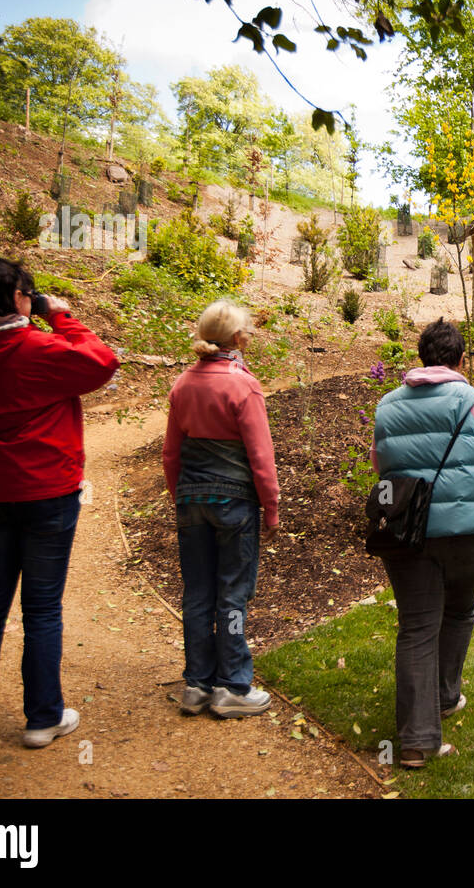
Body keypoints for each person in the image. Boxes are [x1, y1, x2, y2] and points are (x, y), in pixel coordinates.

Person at [0, 257, 120, 752]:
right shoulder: (38, 348)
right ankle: (42, 718)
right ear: (20, 299)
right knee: (41, 609)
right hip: (46, 491)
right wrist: (59, 314)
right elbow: (103, 361)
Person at [371, 317, 474, 768]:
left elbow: (382, 469)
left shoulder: (387, 406)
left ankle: (414, 741)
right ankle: (446, 696)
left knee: (416, 626)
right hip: (466, 533)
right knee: (459, 610)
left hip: (407, 532)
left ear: (422, 357)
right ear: (456, 360)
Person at [162, 300, 280, 718]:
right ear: (237, 338)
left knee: (197, 592)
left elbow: (171, 454)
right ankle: (232, 685)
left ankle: (196, 684)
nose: (249, 335)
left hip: (192, 501)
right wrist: (271, 507)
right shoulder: (243, 385)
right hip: (234, 503)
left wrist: (181, 496)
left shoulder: (183, 384)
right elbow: (260, 456)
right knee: (232, 594)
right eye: (247, 330)